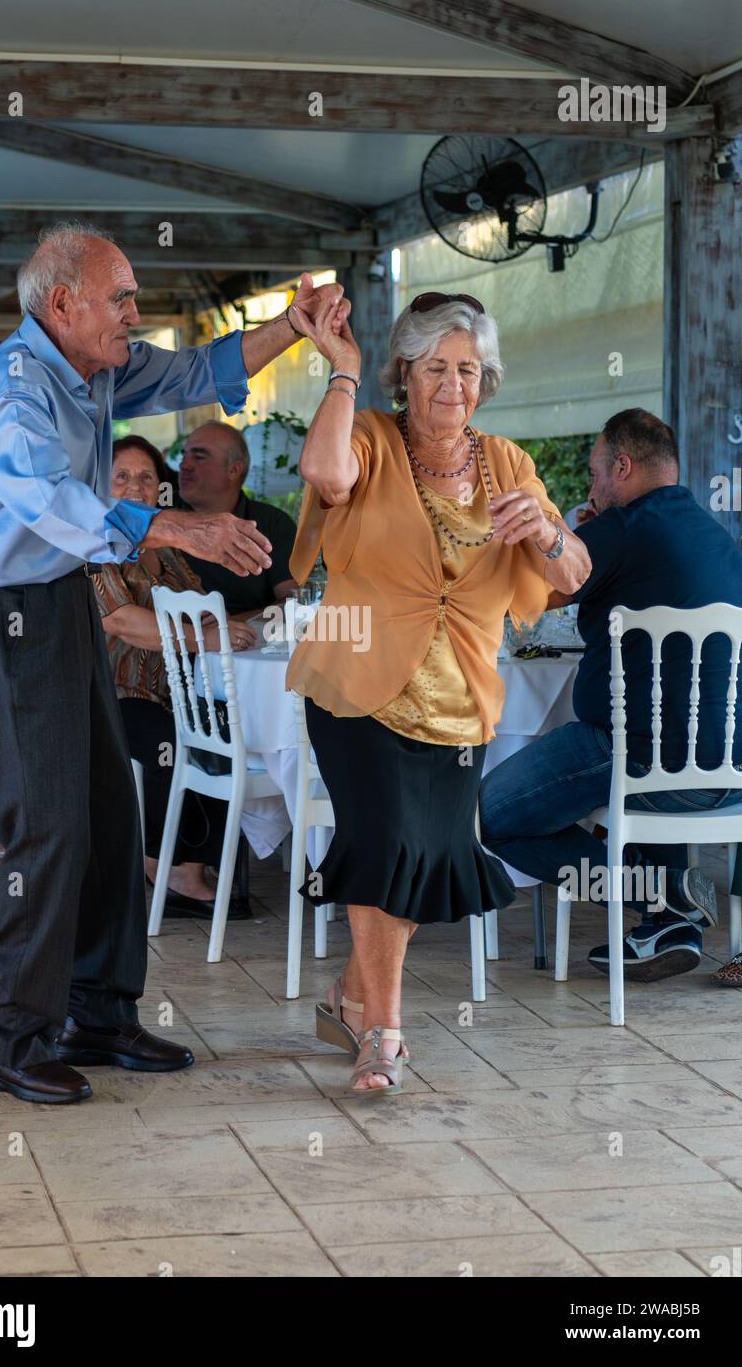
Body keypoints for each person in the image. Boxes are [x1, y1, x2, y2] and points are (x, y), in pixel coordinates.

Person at [0, 219, 347, 1105]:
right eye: (120, 297)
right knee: (45, 824)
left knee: (113, 813)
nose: (134, 312)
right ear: (63, 303)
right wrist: (173, 523)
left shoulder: (97, 363)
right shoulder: (10, 389)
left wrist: (296, 323)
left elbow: (203, 369)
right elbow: (49, 499)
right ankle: (14, 1039)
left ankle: (98, 1012)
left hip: (58, 599)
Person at [286, 291, 590, 1095]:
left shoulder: (509, 465)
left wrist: (546, 531)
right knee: (385, 842)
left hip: (459, 693)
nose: (452, 384)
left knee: (422, 861)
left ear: (483, 380)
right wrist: (344, 372)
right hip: (355, 683)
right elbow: (322, 473)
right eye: (433, 368)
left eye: (466, 369)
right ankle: (383, 1035)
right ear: (405, 375)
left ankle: (348, 997)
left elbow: (572, 574)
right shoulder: (370, 438)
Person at [480, 408, 742, 982]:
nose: (592, 487)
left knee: (488, 815)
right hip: (732, 772)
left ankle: (663, 898)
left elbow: (535, 599)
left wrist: (563, 536)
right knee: (655, 721)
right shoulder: (717, 537)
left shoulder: (623, 527)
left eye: (596, 473)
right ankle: (670, 911)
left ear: (622, 467)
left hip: (638, 760)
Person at [94, 435, 257, 920]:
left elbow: (203, 607)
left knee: (228, 730)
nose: (136, 487)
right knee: (169, 739)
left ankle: (201, 861)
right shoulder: (92, 544)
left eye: (146, 477)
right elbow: (121, 620)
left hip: (174, 690)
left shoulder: (164, 548)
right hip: (112, 694)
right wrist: (202, 637)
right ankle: (162, 865)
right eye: (121, 477)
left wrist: (211, 627)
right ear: (101, 486)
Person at [177, 421, 298, 618]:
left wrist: (229, 629)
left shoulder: (272, 523)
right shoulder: (161, 516)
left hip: (251, 644)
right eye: (184, 455)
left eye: (199, 457)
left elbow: (293, 601)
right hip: (171, 642)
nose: (184, 465)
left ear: (234, 470)